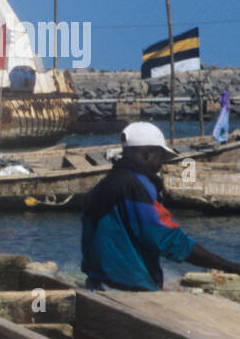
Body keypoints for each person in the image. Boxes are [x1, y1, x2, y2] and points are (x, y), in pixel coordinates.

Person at [81, 122, 240, 290]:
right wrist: (231, 267)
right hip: (124, 290)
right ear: (149, 153)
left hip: (98, 283)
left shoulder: (103, 185)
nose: (160, 165)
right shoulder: (134, 187)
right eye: (161, 158)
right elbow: (170, 241)